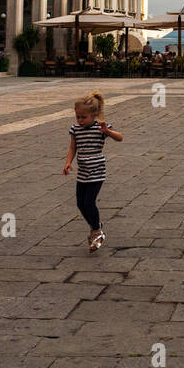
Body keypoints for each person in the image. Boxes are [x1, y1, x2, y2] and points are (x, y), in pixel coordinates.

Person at [62, 91, 123, 252]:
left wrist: (107, 132)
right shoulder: (75, 129)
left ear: (94, 115)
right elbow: (72, 147)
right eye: (78, 117)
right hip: (82, 171)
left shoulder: (100, 127)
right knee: (80, 203)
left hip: (97, 171)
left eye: (84, 117)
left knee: (89, 201)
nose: (80, 120)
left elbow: (119, 137)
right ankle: (96, 226)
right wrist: (68, 162)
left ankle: (96, 230)